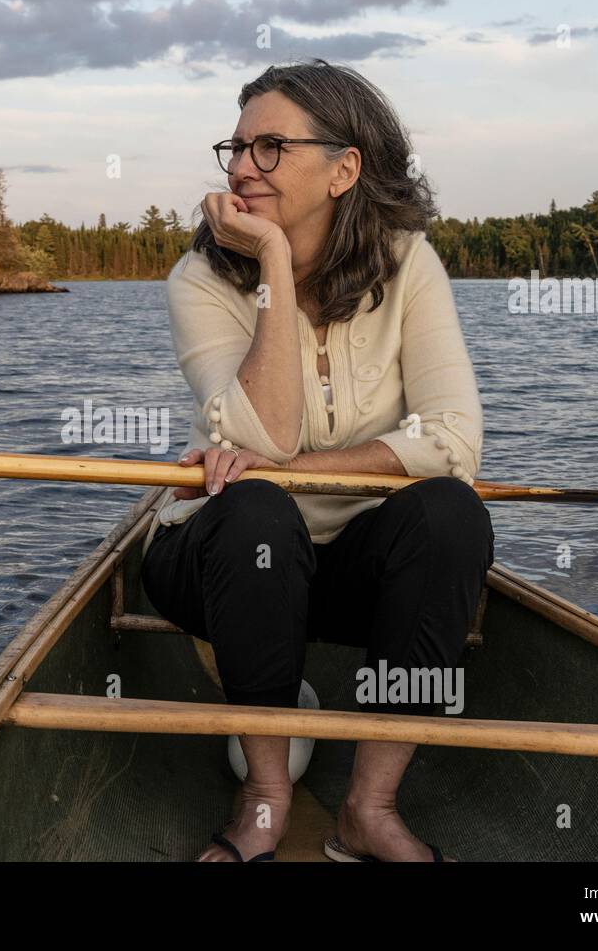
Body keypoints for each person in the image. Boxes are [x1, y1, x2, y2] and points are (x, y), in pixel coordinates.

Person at [139, 59, 494, 862]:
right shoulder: (201, 276)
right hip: (221, 562)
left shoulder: (409, 263)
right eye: (235, 147)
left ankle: (370, 808)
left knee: (450, 514)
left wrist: (310, 467)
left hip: (347, 576)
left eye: (270, 147)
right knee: (257, 512)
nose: (239, 167)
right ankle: (265, 796)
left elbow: (455, 441)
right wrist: (268, 258)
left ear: (344, 169)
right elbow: (263, 441)